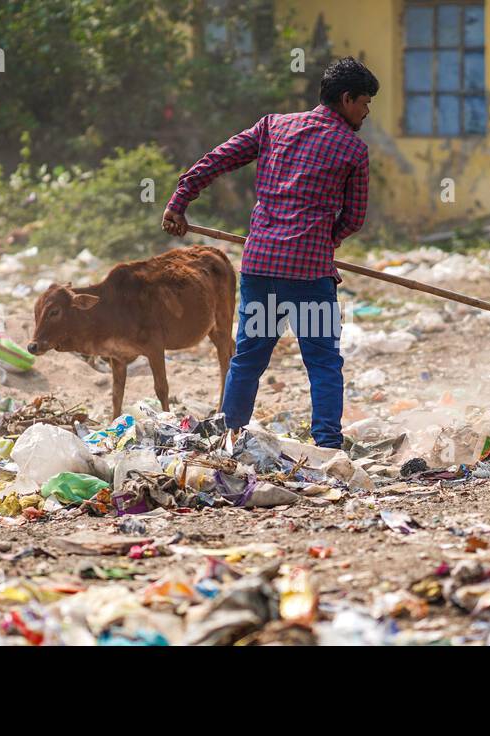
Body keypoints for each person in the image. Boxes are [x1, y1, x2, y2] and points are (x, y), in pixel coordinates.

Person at [162, 57, 378, 449]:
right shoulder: (353, 149)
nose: (366, 111)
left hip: (261, 267)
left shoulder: (273, 126)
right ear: (346, 99)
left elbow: (218, 159)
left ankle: (229, 435)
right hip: (310, 277)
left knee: (248, 357)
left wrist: (180, 200)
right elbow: (355, 217)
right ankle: (327, 446)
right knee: (324, 363)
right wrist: (326, 239)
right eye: (364, 102)